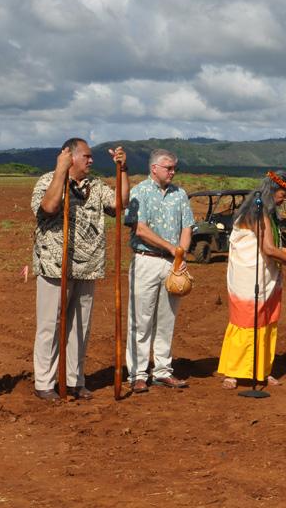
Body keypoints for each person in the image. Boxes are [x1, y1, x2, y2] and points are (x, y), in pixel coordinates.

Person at [31, 138, 128, 401]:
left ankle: (75, 379)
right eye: (86, 156)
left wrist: (123, 171)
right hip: (54, 266)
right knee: (50, 325)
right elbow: (49, 207)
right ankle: (45, 382)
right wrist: (61, 172)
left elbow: (119, 205)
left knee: (80, 327)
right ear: (70, 157)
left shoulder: (94, 185)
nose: (91, 160)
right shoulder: (47, 181)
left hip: (88, 267)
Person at [217, 171, 286, 390]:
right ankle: (234, 371)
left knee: (266, 321)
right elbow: (268, 249)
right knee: (245, 321)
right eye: (282, 194)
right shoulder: (256, 213)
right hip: (247, 278)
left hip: (266, 276)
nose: (283, 199)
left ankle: (262, 370)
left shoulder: (267, 214)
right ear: (271, 191)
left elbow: (273, 247)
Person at [124, 149, 195, 393]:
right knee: (141, 319)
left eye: (174, 168)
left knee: (167, 319)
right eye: (168, 168)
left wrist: (181, 254)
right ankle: (137, 373)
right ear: (154, 168)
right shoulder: (139, 191)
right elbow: (140, 230)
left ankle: (163, 370)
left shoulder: (180, 194)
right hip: (146, 260)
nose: (173, 172)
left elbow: (188, 226)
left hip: (172, 263)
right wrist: (172, 249)